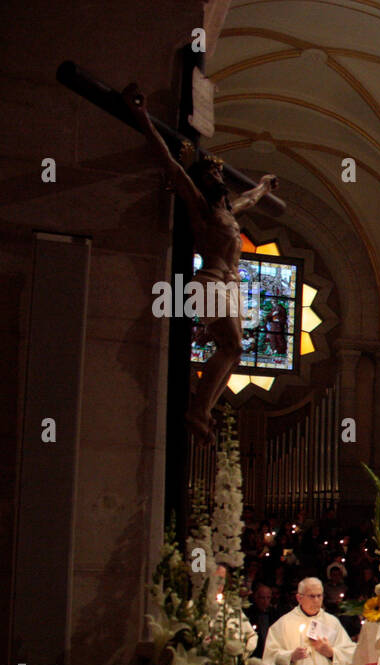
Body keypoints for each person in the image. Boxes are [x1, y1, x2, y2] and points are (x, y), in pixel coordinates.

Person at [123, 83, 278, 442]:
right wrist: (141, 116)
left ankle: (202, 411)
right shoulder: (201, 208)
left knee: (235, 350)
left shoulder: (229, 211)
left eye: (216, 174)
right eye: (208, 174)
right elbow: (173, 167)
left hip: (233, 284)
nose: (214, 177)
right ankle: (197, 410)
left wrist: (265, 186)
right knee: (233, 345)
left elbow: (251, 200)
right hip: (209, 279)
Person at [247, 582, 276, 659]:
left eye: (268, 598)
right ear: (256, 598)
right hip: (255, 655)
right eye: (262, 598)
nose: (265, 601)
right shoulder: (249, 614)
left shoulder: (275, 614)